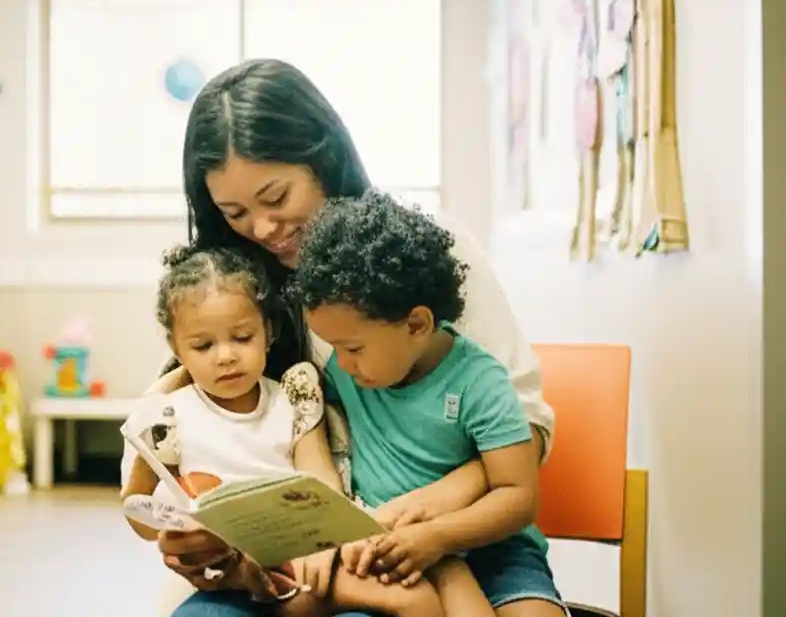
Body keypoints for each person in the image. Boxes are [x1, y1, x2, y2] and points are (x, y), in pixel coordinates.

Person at [120, 58, 556, 615]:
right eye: (234, 212)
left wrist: (423, 515)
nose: (261, 228)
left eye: (276, 198)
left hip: (462, 534)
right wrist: (198, 533)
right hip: (301, 548)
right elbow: (180, 422)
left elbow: (528, 424)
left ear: (323, 159)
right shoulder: (237, 290)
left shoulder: (421, 253)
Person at [123, 244, 486, 616]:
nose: (225, 355)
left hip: (307, 556)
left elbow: (321, 480)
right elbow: (143, 516)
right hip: (229, 572)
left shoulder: (295, 396)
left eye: (242, 338)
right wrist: (164, 507)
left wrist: (331, 539)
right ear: (177, 348)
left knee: (414, 598)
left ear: (268, 331)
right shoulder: (168, 414)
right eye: (203, 345)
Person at [292, 191, 567, 616]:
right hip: (387, 549)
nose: (342, 365)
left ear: (417, 324)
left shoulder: (480, 381)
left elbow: (517, 496)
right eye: (334, 348)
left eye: (353, 348)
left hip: (492, 548)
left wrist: (437, 538)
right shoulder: (347, 374)